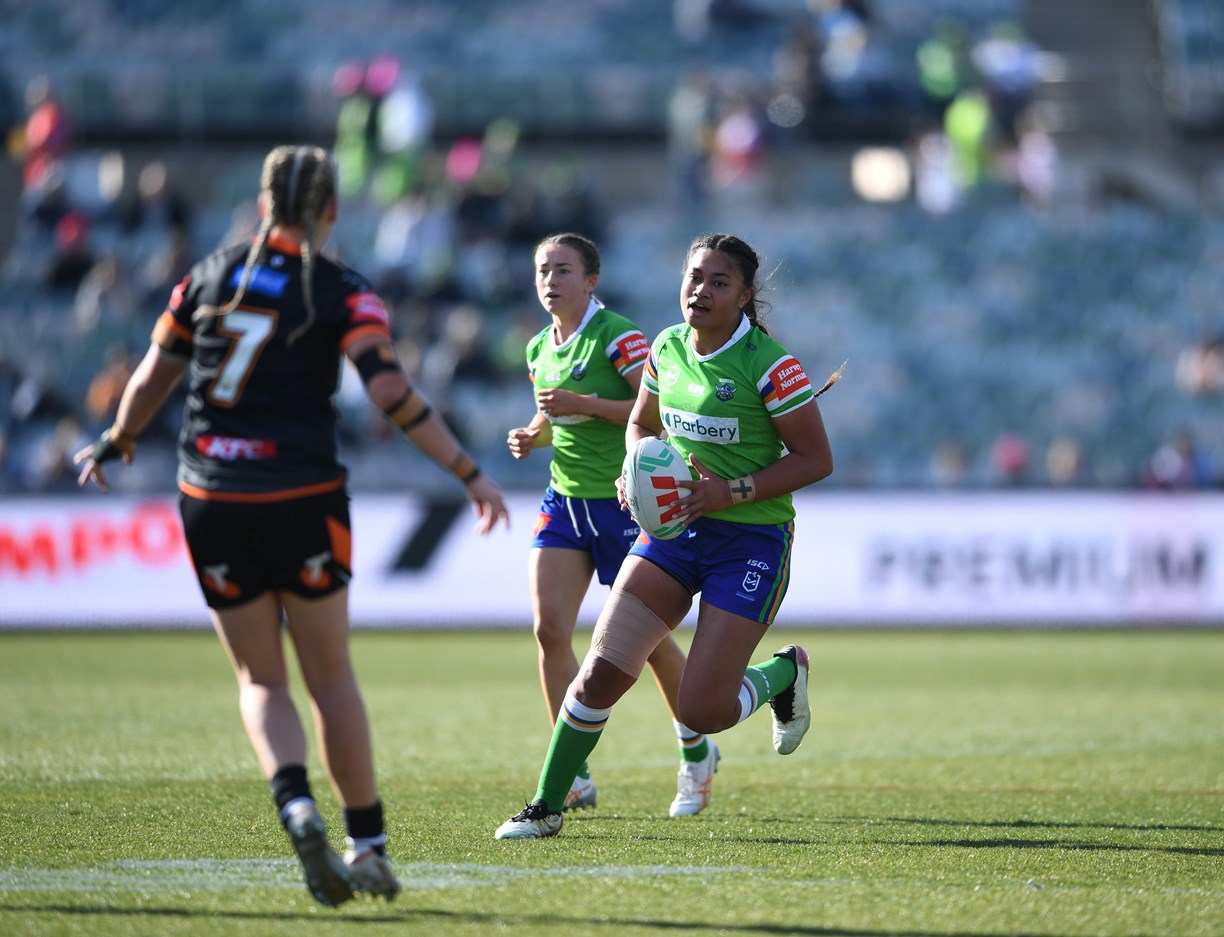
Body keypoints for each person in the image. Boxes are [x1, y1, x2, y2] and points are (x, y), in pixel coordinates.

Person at [74, 144, 511, 904]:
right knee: (331, 676)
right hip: (302, 494)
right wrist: (468, 473)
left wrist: (117, 436)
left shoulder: (205, 277)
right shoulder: (340, 288)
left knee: (260, 677)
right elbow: (391, 392)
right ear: (331, 210)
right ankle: (367, 843)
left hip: (210, 495)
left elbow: (152, 376)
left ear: (263, 202)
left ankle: (295, 800)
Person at [496, 232, 836, 839]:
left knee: (701, 709)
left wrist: (728, 493)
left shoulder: (770, 365)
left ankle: (784, 673)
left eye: (719, 282)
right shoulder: (667, 346)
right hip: (674, 532)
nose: (701, 291)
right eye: (694, 278)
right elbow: (639, 423)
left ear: (745, 296)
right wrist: (634, 469)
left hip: (749, 543)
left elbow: (815, 460)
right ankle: (546, 806)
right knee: (601, 670)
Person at [505, 232, 721, 820]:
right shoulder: (536, 348)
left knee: (644, 644)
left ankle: (696, 747)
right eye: (543, 270)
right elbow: (555, 413)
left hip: (623, 504)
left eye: (564, 269)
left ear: (591, 280)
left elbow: (652, 411)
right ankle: (570, 774)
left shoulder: (619, 336)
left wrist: (584, 406)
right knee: (550, 631)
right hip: (564, 501)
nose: (551, 280)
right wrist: (535, 434)